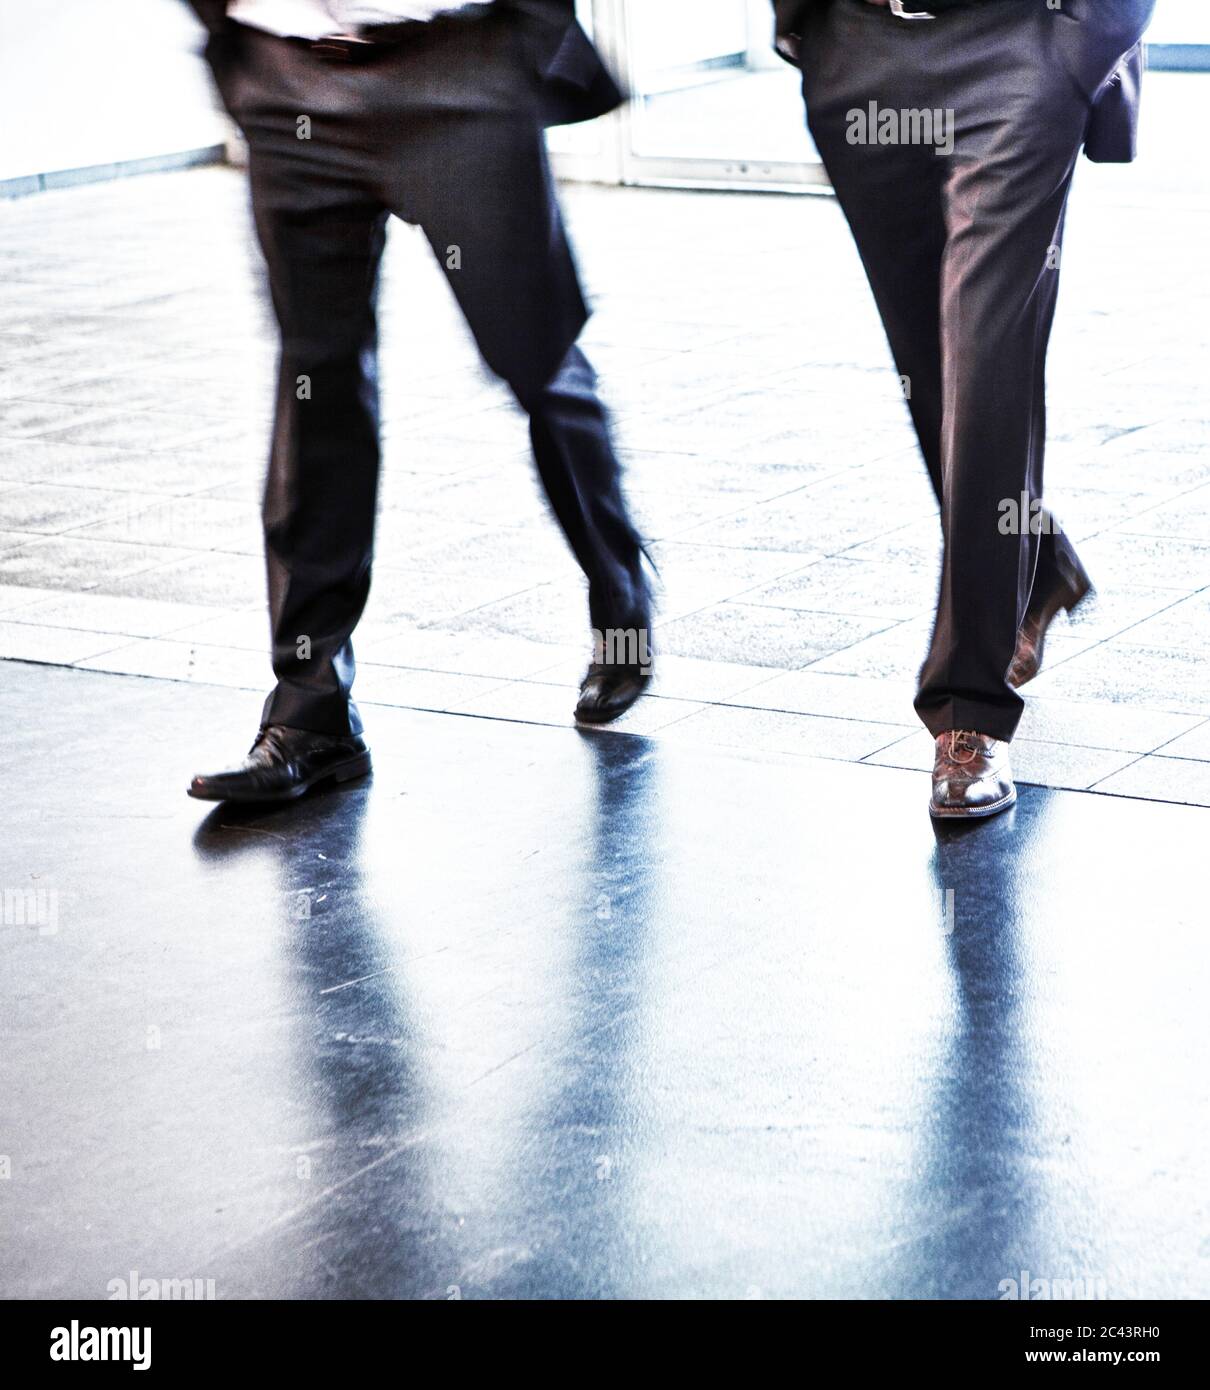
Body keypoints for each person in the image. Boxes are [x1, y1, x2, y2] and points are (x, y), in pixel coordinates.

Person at [184, 0, 652, 804]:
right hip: (289, 72)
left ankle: (618, 595)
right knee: (316, 383)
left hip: (452, 70)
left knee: (535, 361)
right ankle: (311, 712)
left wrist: (518, 46)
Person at [774, 0, 1155, 818]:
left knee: (986, 361)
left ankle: (968, 710)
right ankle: (1039, 561)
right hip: (858, 51)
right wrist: (809, 34)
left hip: (1019, 46)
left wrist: (1081, 46)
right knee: (930, 369)